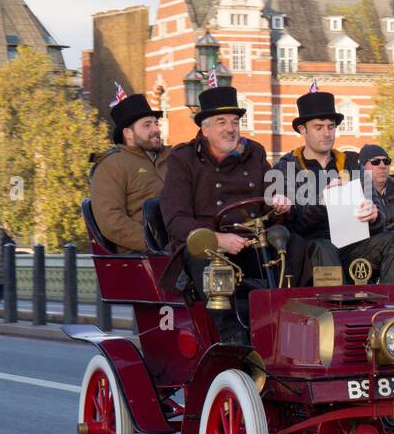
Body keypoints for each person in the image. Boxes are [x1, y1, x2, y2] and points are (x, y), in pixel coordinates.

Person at [161, 85, 295, 339]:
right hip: (207, 245)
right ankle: (234, 339)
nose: (231, 128)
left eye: (235, 121)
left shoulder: (254, 152)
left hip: (253, 240)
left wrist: (280, 200)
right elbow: (176, 220)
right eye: (221, 122)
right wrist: (217, 240)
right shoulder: (184, 158)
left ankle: (297, 325)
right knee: (212, 265)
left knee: (295, 246)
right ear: (205, 128)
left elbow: (272, 190)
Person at [270, 91, 394, 284]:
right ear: (303, 130)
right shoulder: (286, 168)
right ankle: (340, 312)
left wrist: (374, 214)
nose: (327, 133)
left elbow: (380, 216)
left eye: (331, 127)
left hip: (353, 245)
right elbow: (289, 224)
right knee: (324, 248)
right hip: (309, 251)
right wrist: (321, 203)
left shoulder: (351, 163)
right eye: (318, 127)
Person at [89, 93, 170, 253]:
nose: (156, 129)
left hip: (184, 246)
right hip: (144, 256)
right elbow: (112, 221)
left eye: (156, 123)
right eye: (147, 125)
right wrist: (157, 244)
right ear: (128, 134)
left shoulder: (173, 157)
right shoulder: (112, 165)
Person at [358, 143, 394, 231]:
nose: (383, 166)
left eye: (386, 161)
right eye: (375, 161)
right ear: (362, 167)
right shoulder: (356, 197)